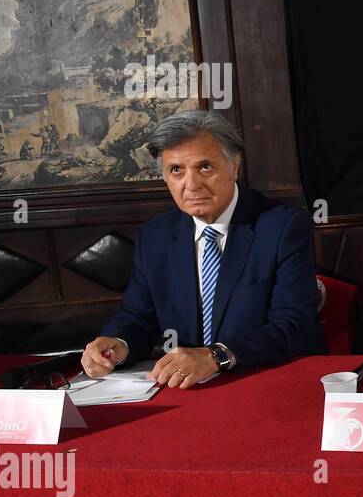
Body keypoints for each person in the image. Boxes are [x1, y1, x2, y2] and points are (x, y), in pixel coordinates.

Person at [81, 111, 324, 386]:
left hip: (266, 380)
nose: (192, 185)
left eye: (205, 167)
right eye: (176, 170)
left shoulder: (283, 227)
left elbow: (294, 326)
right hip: (188, 390)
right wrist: (116, 344)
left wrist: (215, 356)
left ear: (234, 167)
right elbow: (138, 316)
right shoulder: (155, 236)